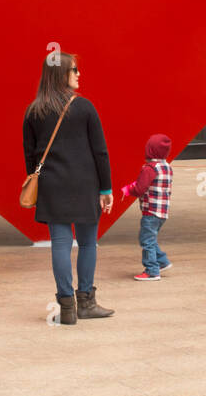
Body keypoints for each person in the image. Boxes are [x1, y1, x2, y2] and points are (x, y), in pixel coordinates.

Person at [22, 51, 115, 324]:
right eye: (74, 69)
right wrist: (106, 189)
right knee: (87, 243)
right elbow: (100, 152)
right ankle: (86, 302)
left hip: (52, 185)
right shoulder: (85, 107)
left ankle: (66, 309)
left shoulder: (33, 111)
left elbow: (30, 156)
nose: (78, 74)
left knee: (60, 245)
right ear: (61, 74)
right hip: (86, 183)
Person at [121, 133, 173, 281]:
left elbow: (140, 189)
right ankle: (162, 261)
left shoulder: (149, 168)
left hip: (150, 210)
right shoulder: (167, 167)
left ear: (149, 150)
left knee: (147, 240)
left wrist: (128, 189)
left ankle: (152, 270)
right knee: (149, 237)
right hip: (162, 211)